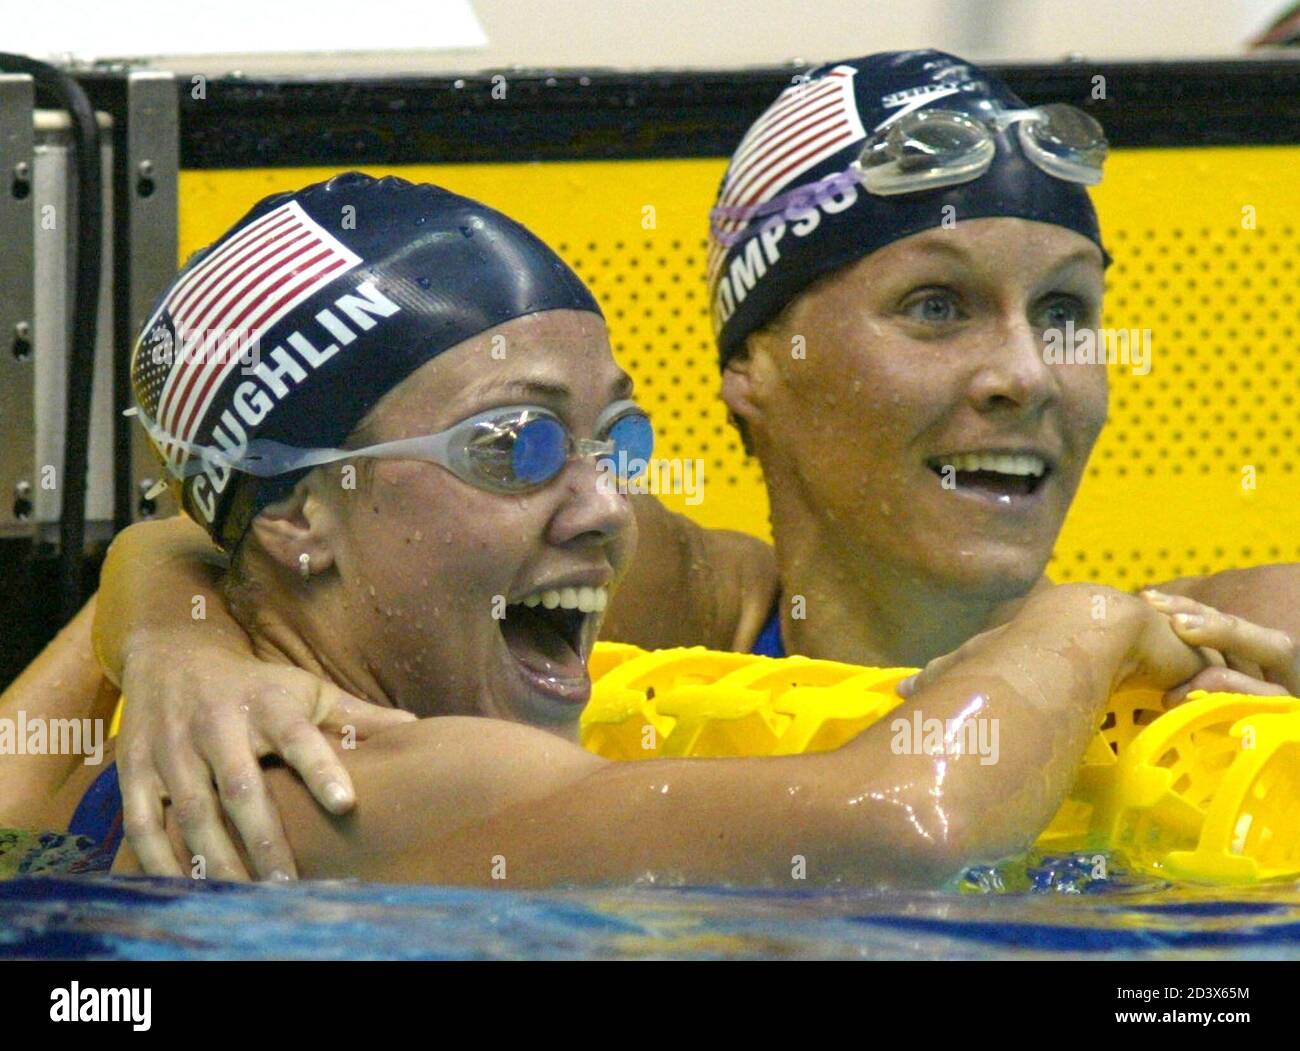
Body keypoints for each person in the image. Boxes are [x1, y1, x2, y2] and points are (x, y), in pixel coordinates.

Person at [15, 52, 1300, 877]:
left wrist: (172, 629)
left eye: (1068, 315)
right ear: (753, 366)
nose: (1024, 373)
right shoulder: (615, 634)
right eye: (936, 308)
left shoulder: (1232, 635)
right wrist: (174, 626)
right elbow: (897, 822)